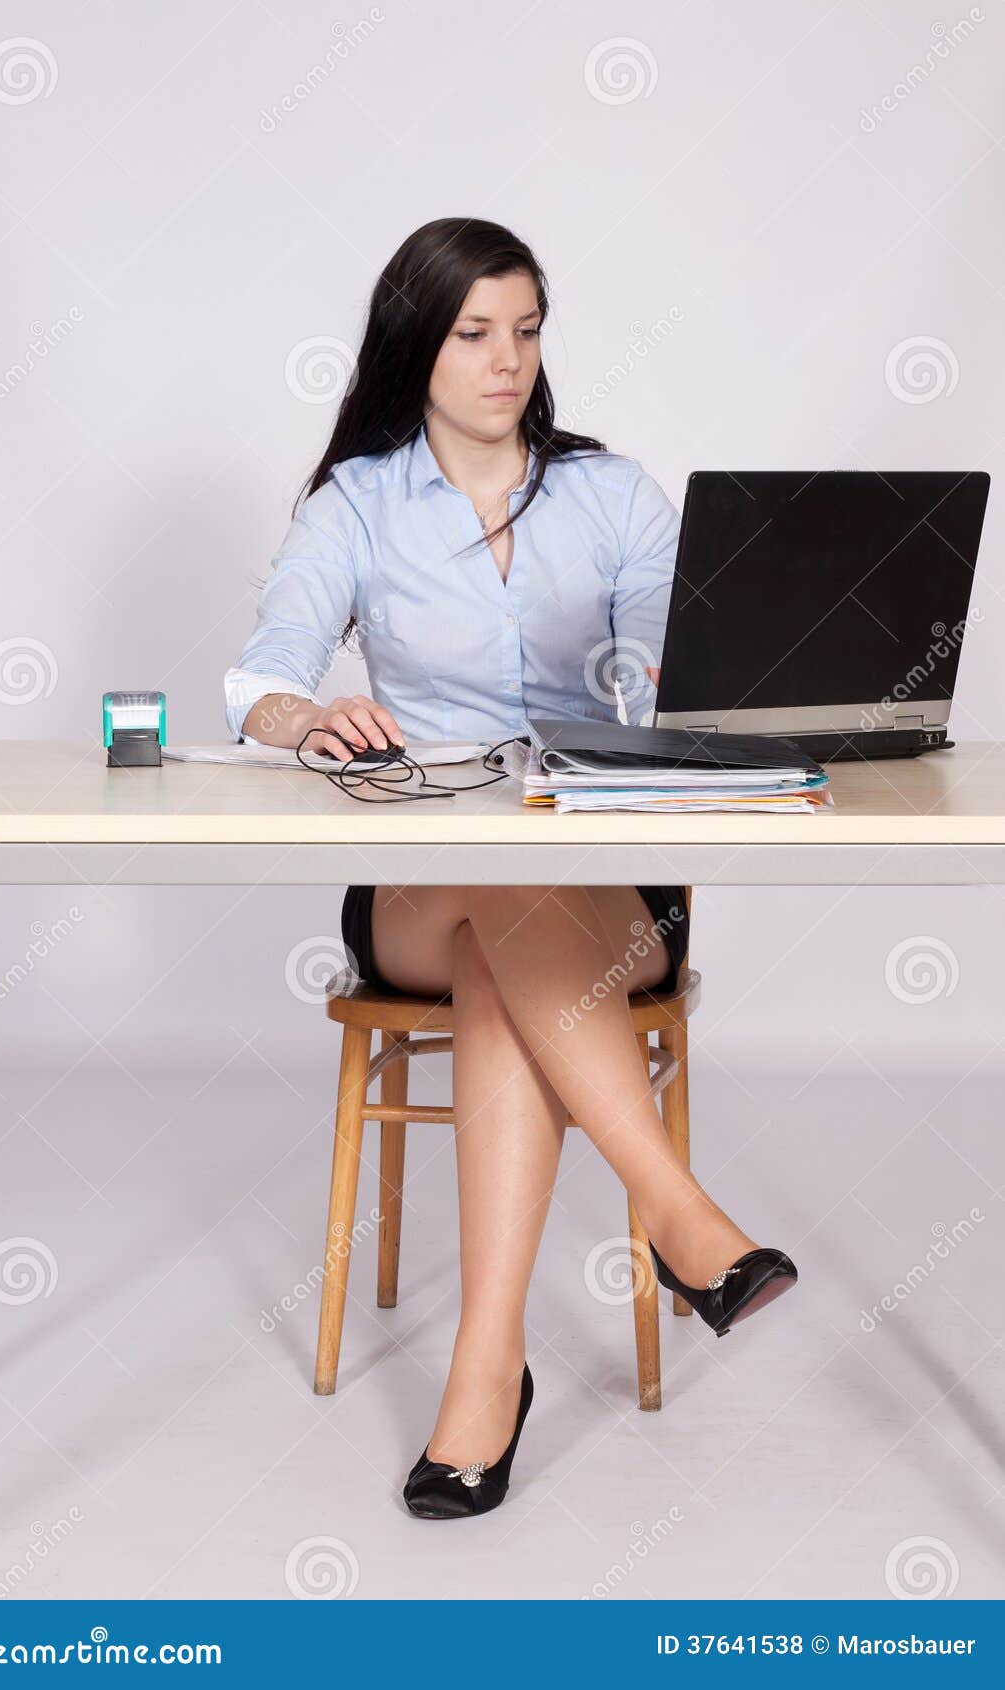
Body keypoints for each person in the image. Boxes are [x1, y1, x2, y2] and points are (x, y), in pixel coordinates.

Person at [225, 217, 797, 1520]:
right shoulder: (358, 504)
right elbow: (260, 677)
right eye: (476, 333)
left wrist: (680, 697)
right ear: (414, 342)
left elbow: (694, 684)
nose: (508, 361)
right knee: (489, 891)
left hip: (604, 901)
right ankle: (678, 1214)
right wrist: (310, 720)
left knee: (508, 944)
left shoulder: (614, 495)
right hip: (423, 886)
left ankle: (488, 1366)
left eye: (528, 331)